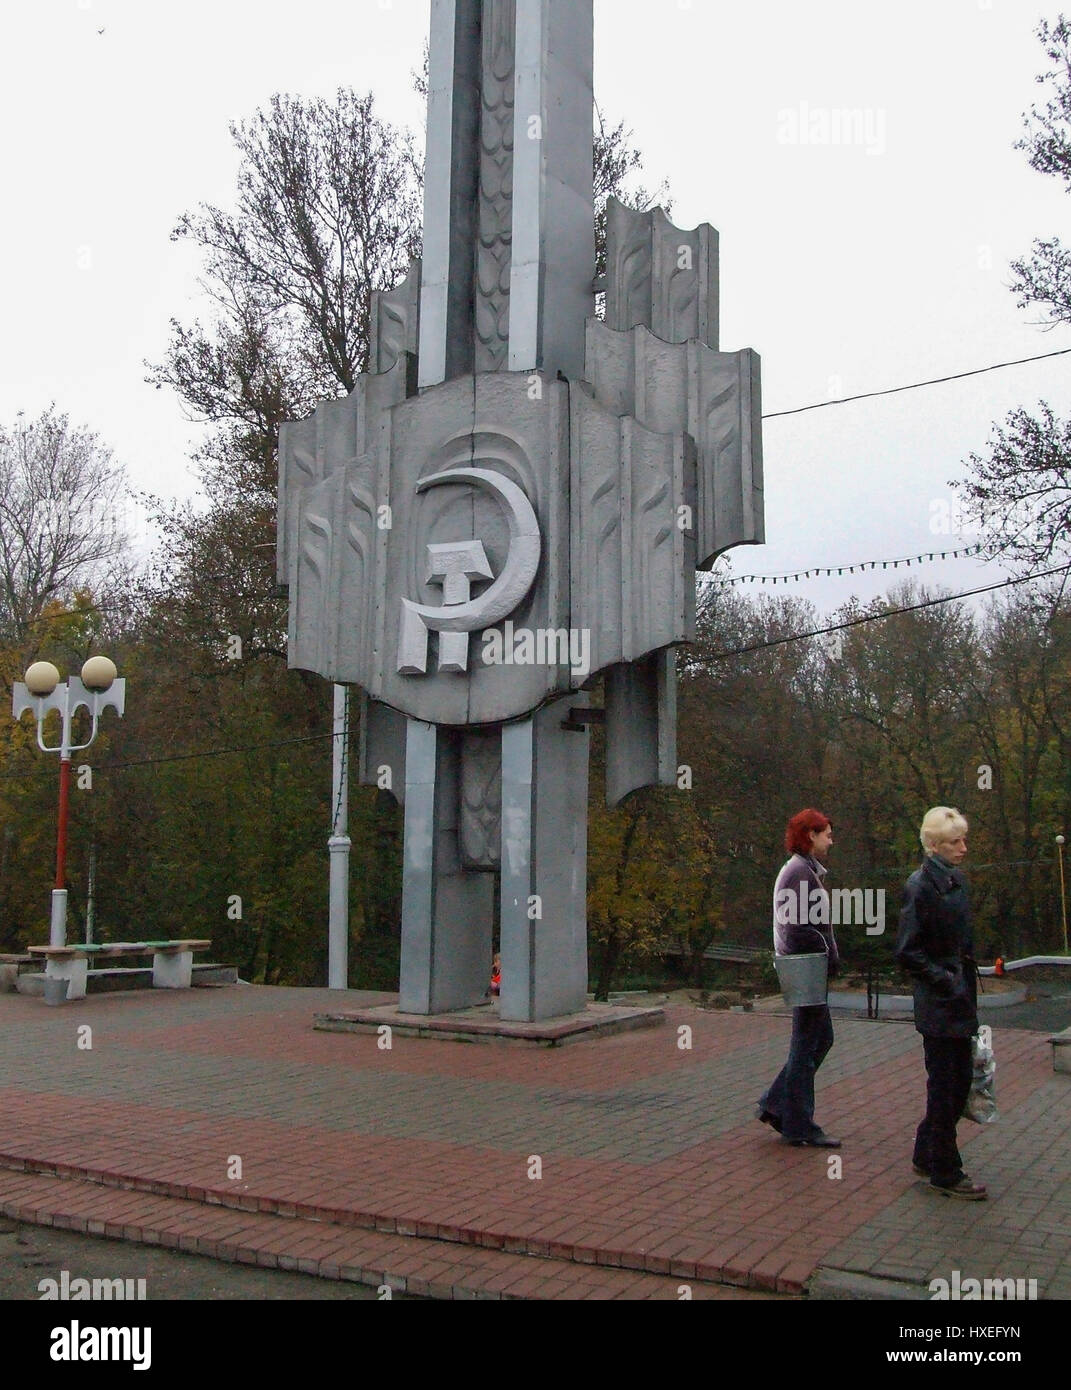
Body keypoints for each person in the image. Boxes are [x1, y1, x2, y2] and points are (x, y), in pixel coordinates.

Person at [895, 807, 986, 1200]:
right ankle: (946, 1171)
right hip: (940, 1001)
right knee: (946, 1085)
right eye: (955, 841)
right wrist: (946, 980)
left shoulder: (955, 880)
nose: (963, 847)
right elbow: (907, 951)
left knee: (957, 1081)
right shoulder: (920, 887)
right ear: (934, 845)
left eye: (963, 839)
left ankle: (927, 1153)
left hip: (958, 995)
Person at [757, 808, 841, 1148]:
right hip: (805, 969)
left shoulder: (803, 871)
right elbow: (794, 927)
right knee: (809, 1044)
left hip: (806, 969)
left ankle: (778, 1106)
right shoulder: (799, 874)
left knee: (815, 1041)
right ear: (811, 835)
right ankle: (798, 1123)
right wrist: (826, 951)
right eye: (826, 833)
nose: (831, 839)